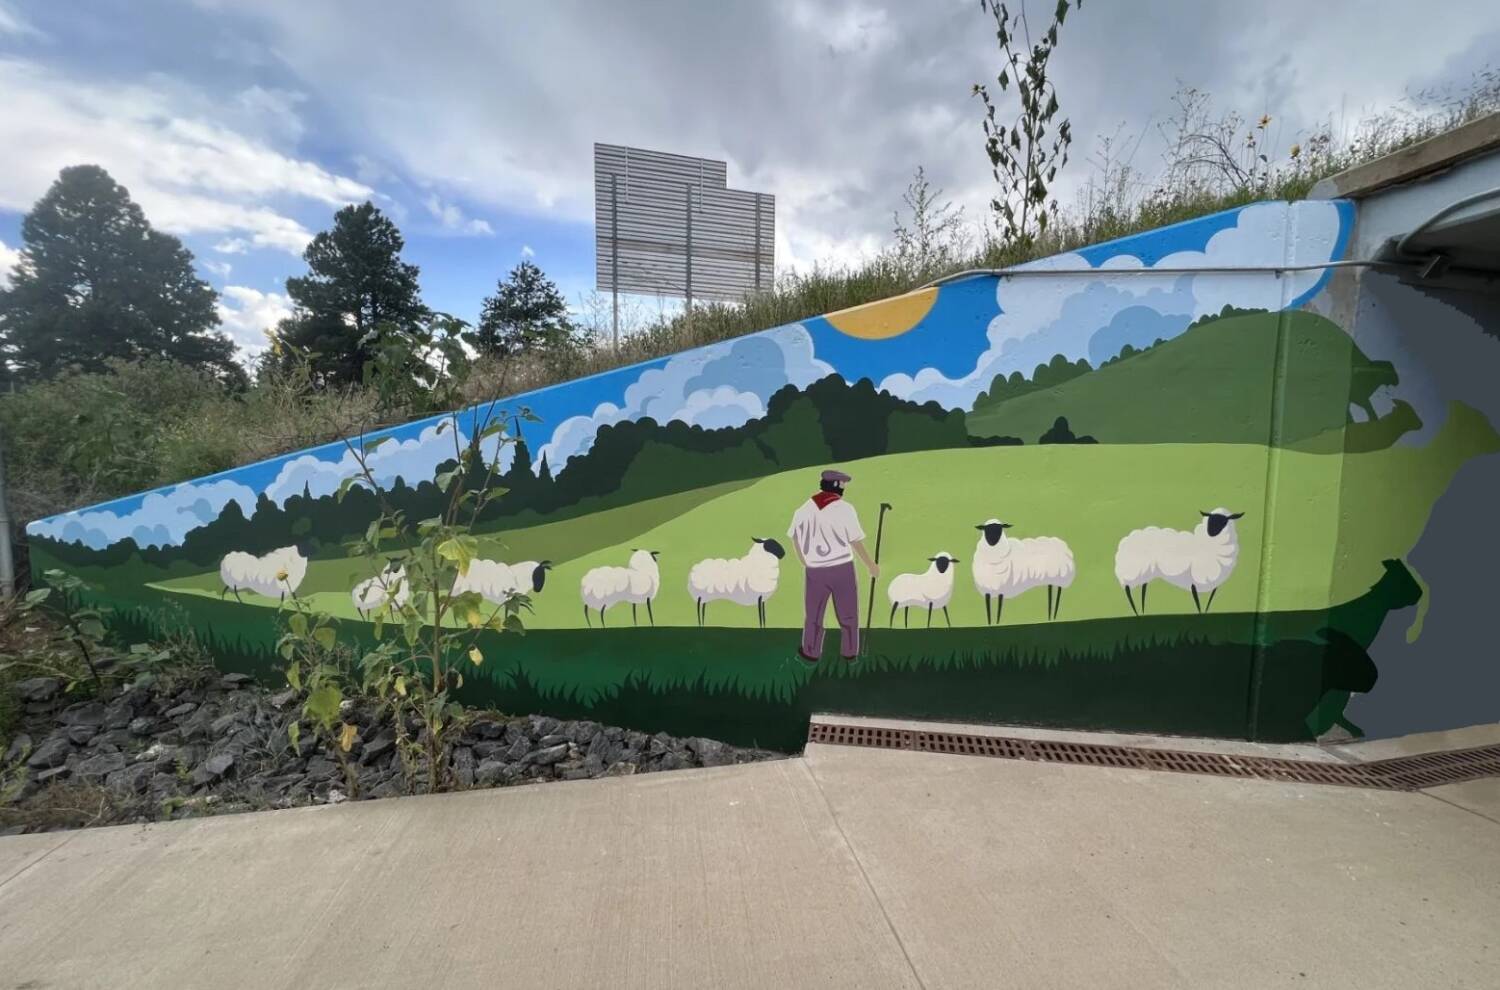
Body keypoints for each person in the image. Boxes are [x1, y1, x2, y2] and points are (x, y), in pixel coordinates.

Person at [787, 469, 878, 663]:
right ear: (836, 485)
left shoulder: (804, 509)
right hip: (841, 567)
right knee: (848, 614)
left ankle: (810, 651)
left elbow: (794, 537)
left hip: (814, 570)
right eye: (843, 484)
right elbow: (855, 541)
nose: (844, 488)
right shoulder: (845, 509)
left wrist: (804, 560)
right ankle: (850, 651)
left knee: (813, 615)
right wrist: (870, 564)